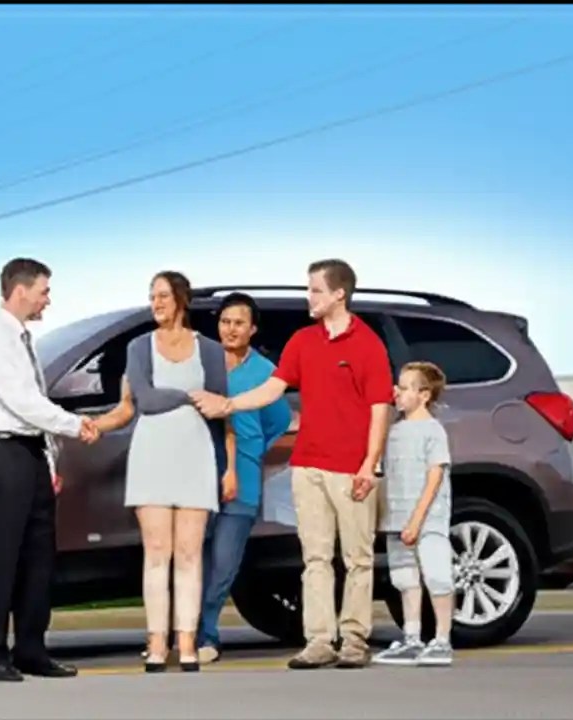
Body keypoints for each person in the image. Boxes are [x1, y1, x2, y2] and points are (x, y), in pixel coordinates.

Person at [191, 259, 393, 670]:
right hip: (308, 466)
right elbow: (272, 390)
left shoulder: (367, 344)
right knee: (315, 558)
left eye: (316, 290)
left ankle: (354, 640)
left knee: (357, 557)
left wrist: (369, 465)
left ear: (339, 294)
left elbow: (380, 409)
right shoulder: (302, 341)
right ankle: (319, 640)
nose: (310, 298)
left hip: (352, 467)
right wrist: (229, 404)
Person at [0, 257, 99, 682]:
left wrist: (50, 460)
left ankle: (31, 649)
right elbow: (22, 403)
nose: (47, 299)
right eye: (43, 290)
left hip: (29, 455)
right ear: (20, 290)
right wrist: (75, 425)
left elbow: (31, 410)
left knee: (39, 558)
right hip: (1, 457)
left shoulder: (23, 340)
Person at [91, 271, 236, 673]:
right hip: (153, 454)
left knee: (190, 554)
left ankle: (186, 642)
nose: (155, 303)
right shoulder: (139, 348)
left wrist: (229, 467)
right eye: (151, 296)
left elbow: (221, 409)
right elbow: (144, 401)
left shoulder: (207, 350)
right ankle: (157, 642)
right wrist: (189, 396)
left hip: (195, 455)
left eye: (162, 296)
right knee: (157, 553)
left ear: (180, 300)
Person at [195, 292, 292, 665]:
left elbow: (279, 421)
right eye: (225, 322)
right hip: (200, 471)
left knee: (223, 563)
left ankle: (208, 634)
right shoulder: (204, 363)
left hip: (242, 476)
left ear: (252, 329)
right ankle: (184, 633)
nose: (231, 329)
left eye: (239, 323)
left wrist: (252, 449)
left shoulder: (265, 371)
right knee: (192, 558)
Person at [372, 361, 456, 667]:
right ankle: (412, 637)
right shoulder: (394, 431)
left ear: (424, 394)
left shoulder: (433, 431)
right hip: (397, 516)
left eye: (406, 388)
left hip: (427, 518)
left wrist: (418, 520)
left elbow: (434, 476)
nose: (398, 392)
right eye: (399, 386)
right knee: (405, 578)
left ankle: (443, 639)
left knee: (436, 574)